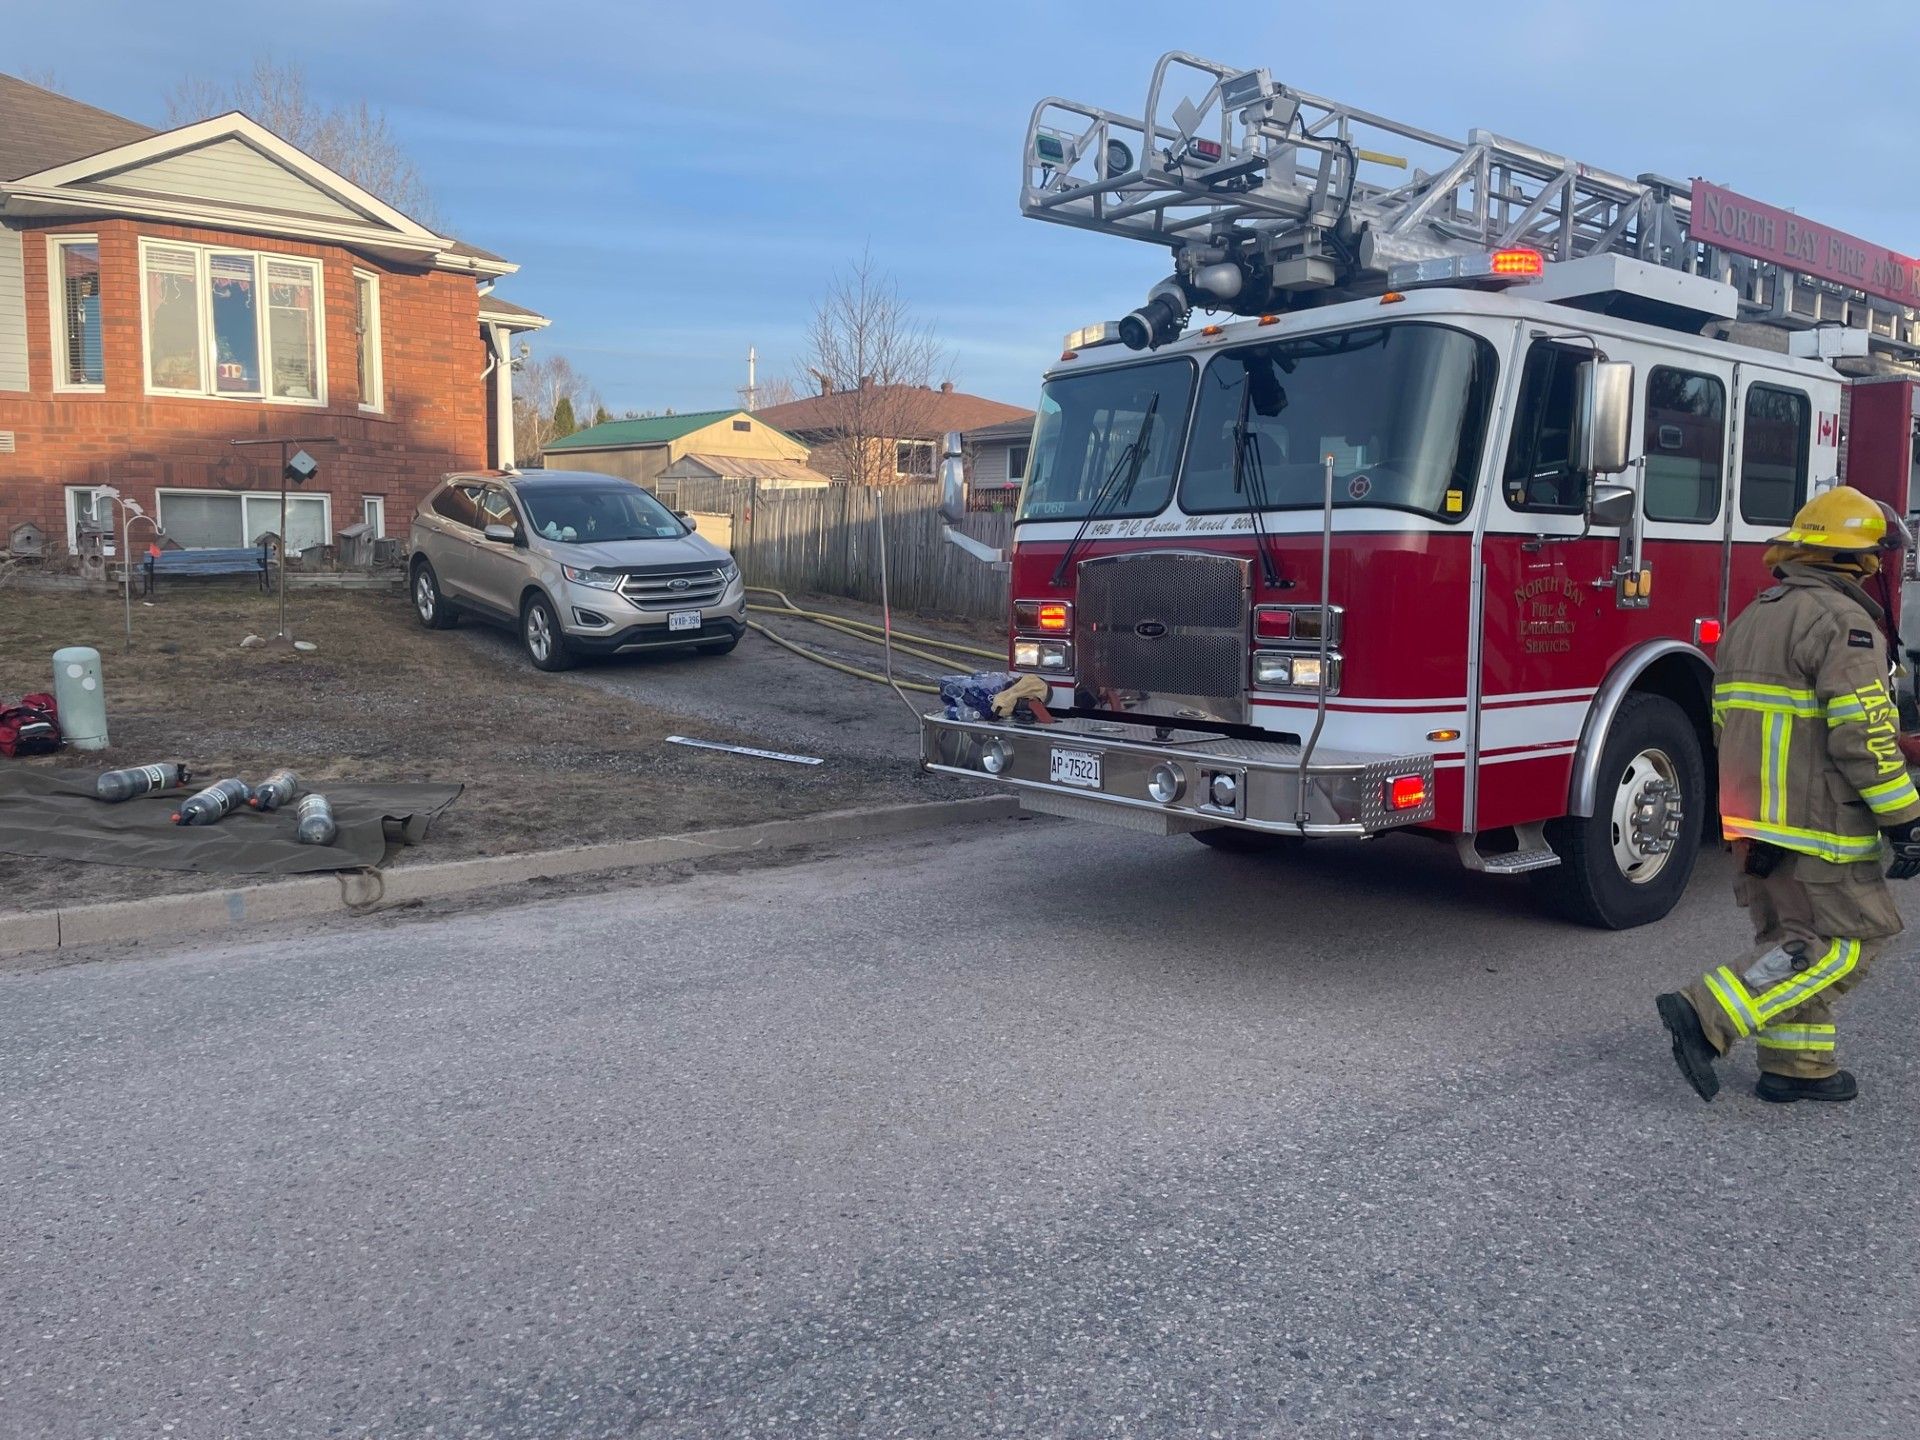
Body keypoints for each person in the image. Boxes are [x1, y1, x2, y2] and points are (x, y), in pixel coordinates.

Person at [1657, 485, 1920, 1104]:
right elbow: (1865, 735)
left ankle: (1797, 1068)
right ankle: (1706, 1014)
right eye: (1877, 554)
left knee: (1793, 936)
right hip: (1818, 823)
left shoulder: (1754, 617)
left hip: (1756, 821)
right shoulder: (1843, 623)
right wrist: (1905, 819)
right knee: (1849, 942)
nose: (1883, 564)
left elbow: (1728, 723)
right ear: (1858, 559)